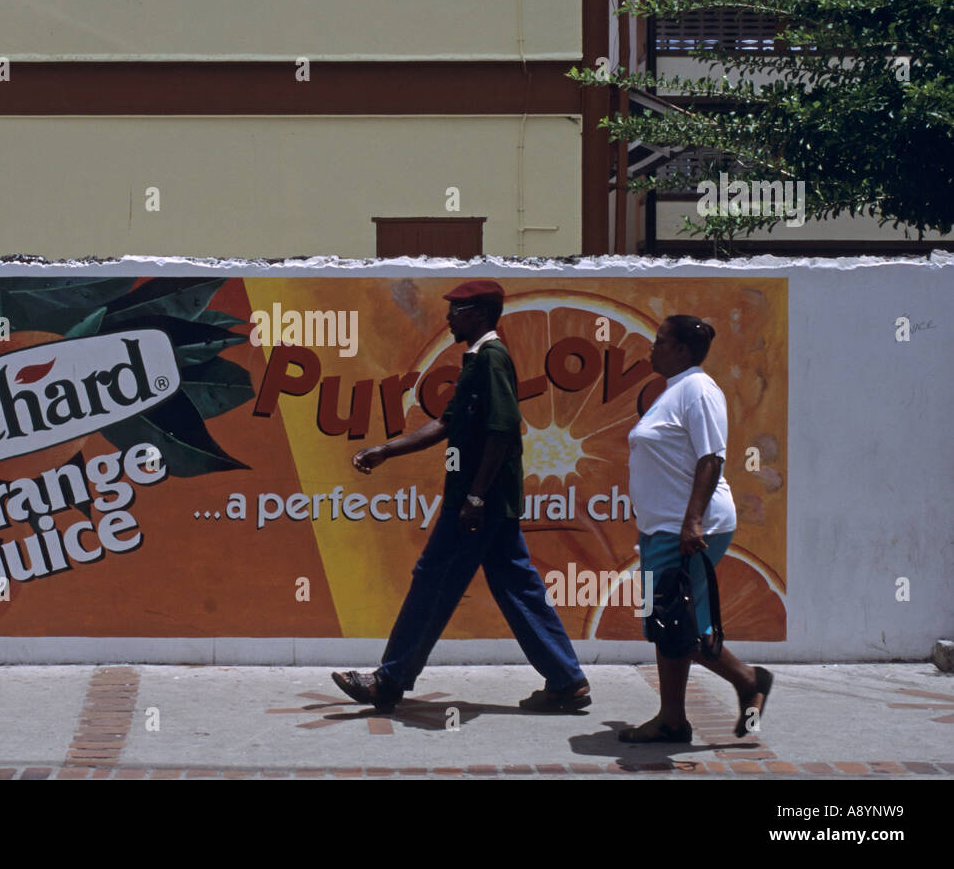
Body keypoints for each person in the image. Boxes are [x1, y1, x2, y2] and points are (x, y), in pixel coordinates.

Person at [331, 280, 590, 714]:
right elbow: (445, 424)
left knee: (433, 579)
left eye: (458, 309)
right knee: (517, 587)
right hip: (490, 502)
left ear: (481, 314)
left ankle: (389, 680)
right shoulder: (475, 361)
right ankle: (566, 680)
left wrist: (474, 497)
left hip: (477, 503)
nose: (449, 317)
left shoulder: (492, 359)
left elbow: (503, 431)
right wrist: (385, 451)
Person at [618, 315, 773, 743]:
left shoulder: (699, 390)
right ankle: (688, 710)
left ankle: (733, 688)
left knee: (672, 622)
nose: (652, 348)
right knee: (672, 622)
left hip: (685, 527)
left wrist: (692, 521)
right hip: (663, 528)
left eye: (661, 341)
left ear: (683, 351)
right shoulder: (675, 391)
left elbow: (712, 458)